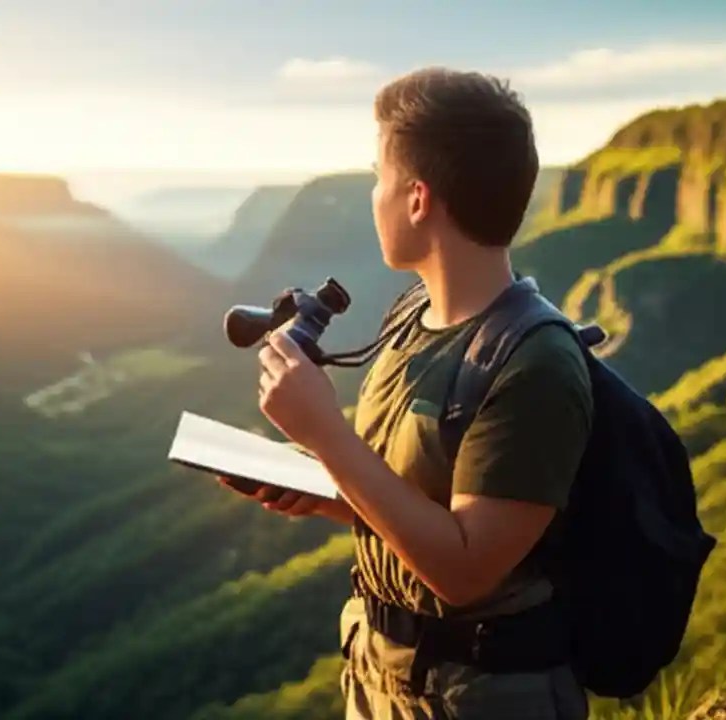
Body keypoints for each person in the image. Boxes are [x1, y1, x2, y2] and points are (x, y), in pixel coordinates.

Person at [217, 67, 593, 719]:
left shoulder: (536, 364)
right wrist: (324, 490)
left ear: (417, 198)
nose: (373, 196)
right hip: (384, 672)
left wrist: (324, 433)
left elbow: (466, 570)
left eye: (378, 178)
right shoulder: (413, 318)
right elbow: (420, 502)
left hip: (482, 696)